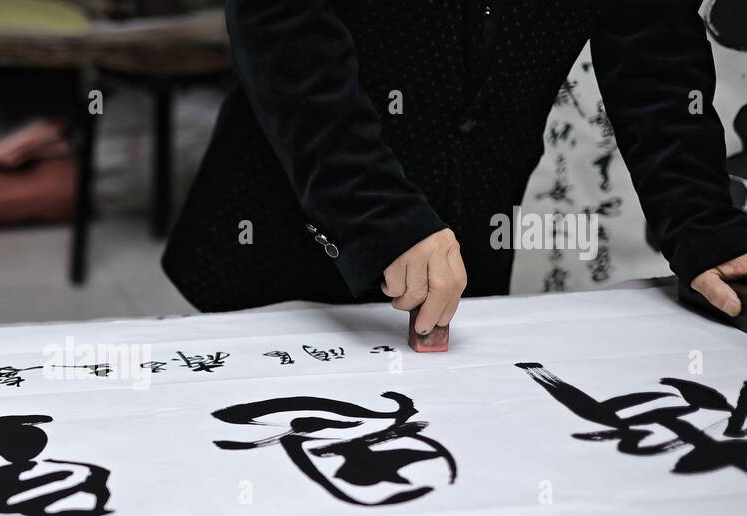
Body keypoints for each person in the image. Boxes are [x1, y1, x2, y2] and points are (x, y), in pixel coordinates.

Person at [162, 0, 747, 336]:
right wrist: (377, 211)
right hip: (282, 224)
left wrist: (702, 224)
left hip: (465, 246)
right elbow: (281, 24)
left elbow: (655, 60)